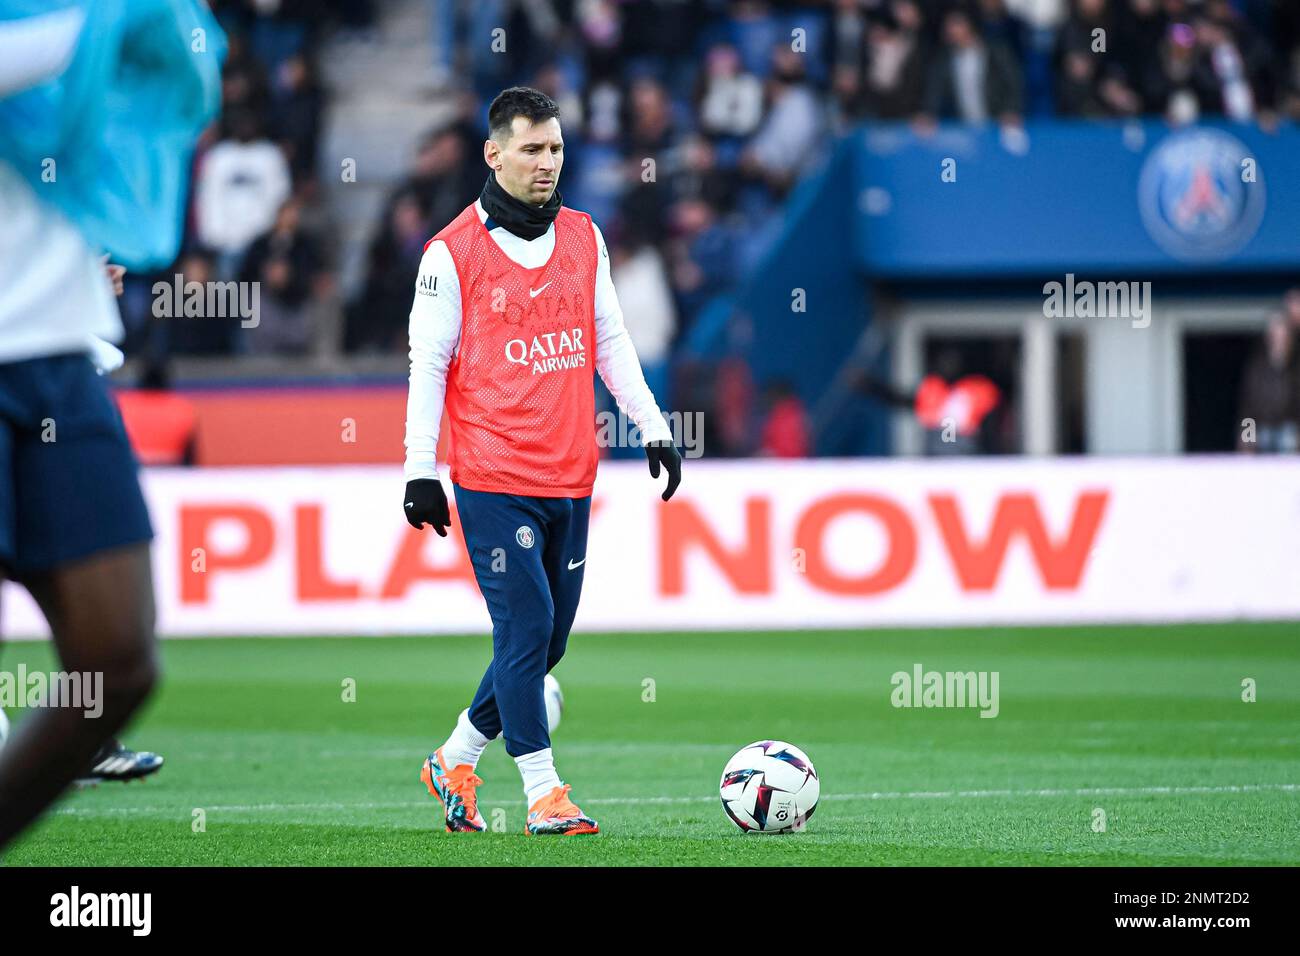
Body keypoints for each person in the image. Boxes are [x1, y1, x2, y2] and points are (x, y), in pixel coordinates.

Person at [402, 87, 681, 836]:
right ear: (494, 154)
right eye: (531, 149)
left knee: (547, 640)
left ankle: (455, 758)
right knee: (526, 630)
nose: (546, 162)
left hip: (571, 474)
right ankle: (543, 794)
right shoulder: (450, 253)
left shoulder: (586, 237)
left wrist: (653, 427)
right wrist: (419, 471)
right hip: (493, 478)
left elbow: (612, 341)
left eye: (555, 148)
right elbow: (427, 365)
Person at [0, 0, 222, 849]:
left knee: (118, 662)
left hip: (59, 341)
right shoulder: (95, 18)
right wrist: (102, 28)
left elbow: (182, 69)